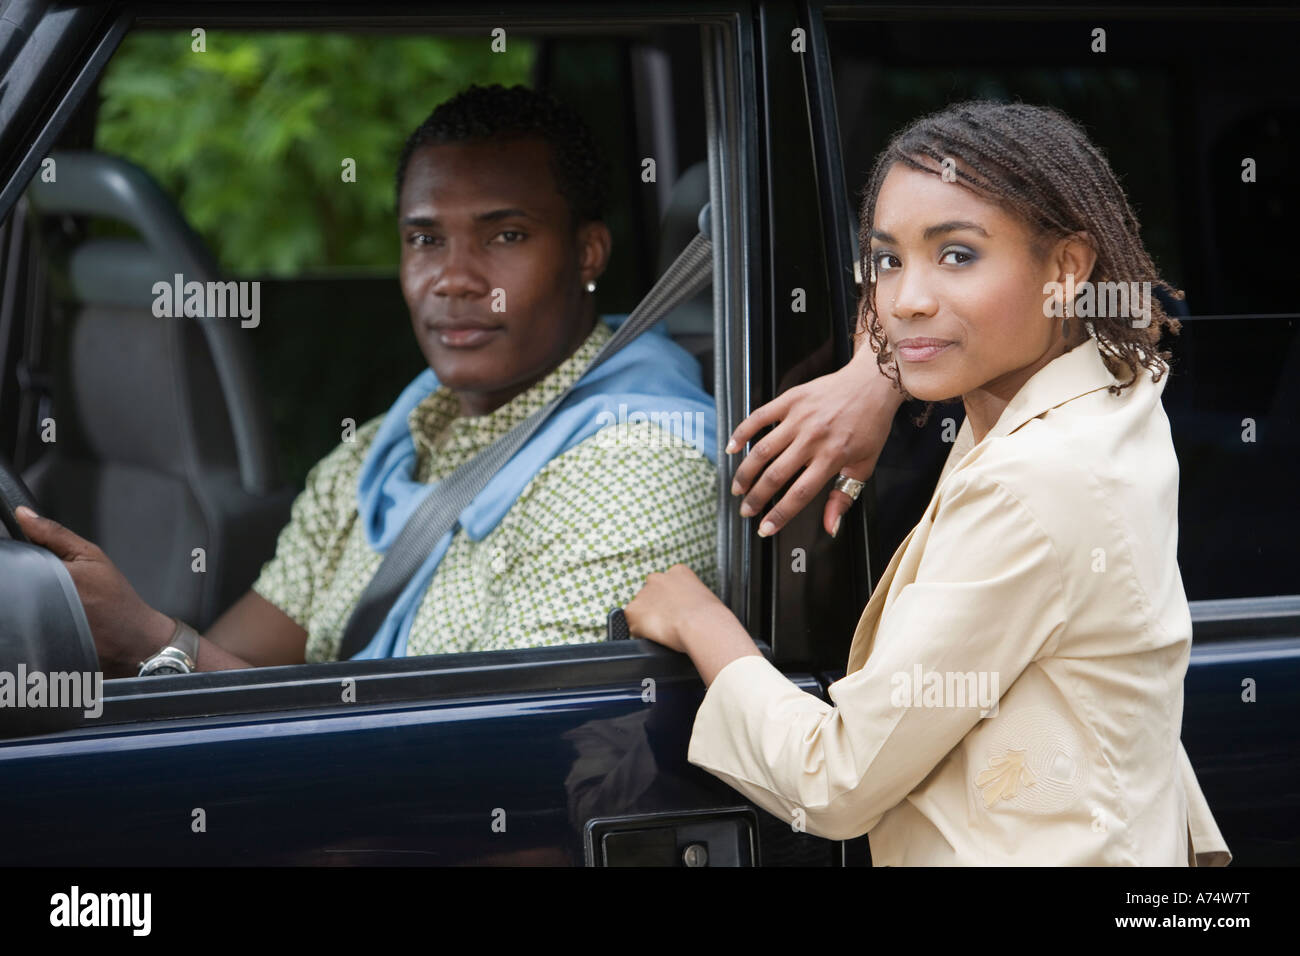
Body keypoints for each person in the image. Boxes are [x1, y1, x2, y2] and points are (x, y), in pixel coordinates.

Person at [625, 100, 1231, 865]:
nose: (906, 298)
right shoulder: (1112, 394)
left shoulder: (1031, 481)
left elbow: (837, 779)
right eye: (886, 259)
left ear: (1067, 268)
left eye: (957, 256)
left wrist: (698, 623)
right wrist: (879, 376)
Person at [16, 83, 719, 676]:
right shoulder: (390, 442)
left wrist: (147, 638)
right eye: (424, 239)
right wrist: (127, 635)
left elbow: (495, 772)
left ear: (587, 252)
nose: (453, 280)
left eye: (505, 236)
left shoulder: (638, 468)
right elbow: (231, 672)